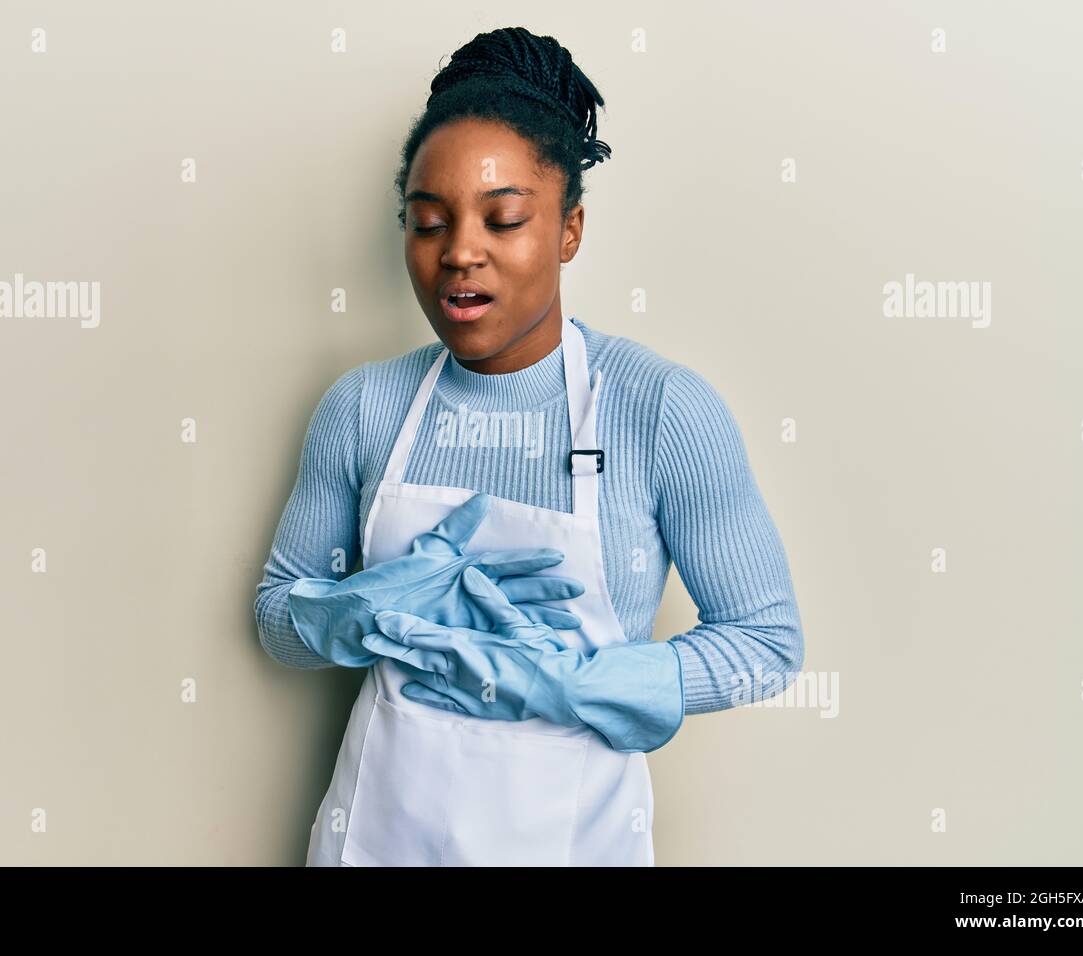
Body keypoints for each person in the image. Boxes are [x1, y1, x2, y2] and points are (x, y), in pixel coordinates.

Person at [254, 26, 804, 867]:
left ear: (570, 229)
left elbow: (767, 645)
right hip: (374, 842)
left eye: (503, 219)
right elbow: (276, 616)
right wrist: (352, 611)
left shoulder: (658, 409)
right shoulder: (364, 407)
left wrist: (588, 685)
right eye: (427, 222)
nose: (460, 253)